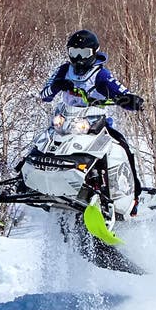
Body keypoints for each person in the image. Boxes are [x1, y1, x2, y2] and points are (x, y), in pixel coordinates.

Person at [41, 29, 144, 200]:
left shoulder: (101, 74)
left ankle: (133, 194)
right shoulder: (64, 70)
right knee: (42, 142)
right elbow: (44, 95)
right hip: (65, 122)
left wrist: (129, 100)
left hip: (94, 125)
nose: (79, 59)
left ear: (94, 53)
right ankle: (21, 180)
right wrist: (57, 85)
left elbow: (119, 90)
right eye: (74, 53)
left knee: (123, 147)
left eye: (83, 53)